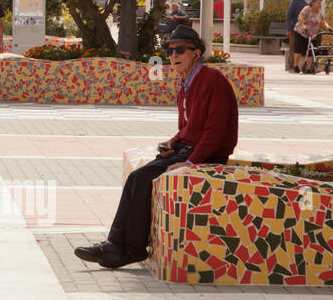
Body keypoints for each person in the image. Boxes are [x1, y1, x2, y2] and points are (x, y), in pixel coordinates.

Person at [75, 25, 237, 268]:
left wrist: (191, 162)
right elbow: (190, 128)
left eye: (179, 50)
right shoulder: (187, 83)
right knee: (137, 178)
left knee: (142, 178)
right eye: (169, 51)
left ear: (196, 52)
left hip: (208, 154)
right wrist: (173, 143)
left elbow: (215, 132)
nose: (173, 56)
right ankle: (118, 245)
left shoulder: (211, 80)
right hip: (190, 149)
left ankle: (128, 248)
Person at [294, 0, 332, 74]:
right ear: (313, 3)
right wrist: (303, 25)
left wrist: (328, 27)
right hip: (301, 32)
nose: (320, 5)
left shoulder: (319, 12)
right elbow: (300, 17)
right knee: (299, 49)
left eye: (320, 3)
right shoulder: (307, 9)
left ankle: (308, 68)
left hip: (313, 34)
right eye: (318, 3)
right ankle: (295, 66)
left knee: (311, 50)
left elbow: (323, 21)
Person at [286, 0, 314, 73]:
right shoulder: (296, 0)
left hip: (307, 29)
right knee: (294, 47)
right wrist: (289, 28)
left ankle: (306, 66)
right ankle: (291, 66)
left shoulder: (309, 0)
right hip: (296, 28)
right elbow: (289, 14)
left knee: (307, 47)